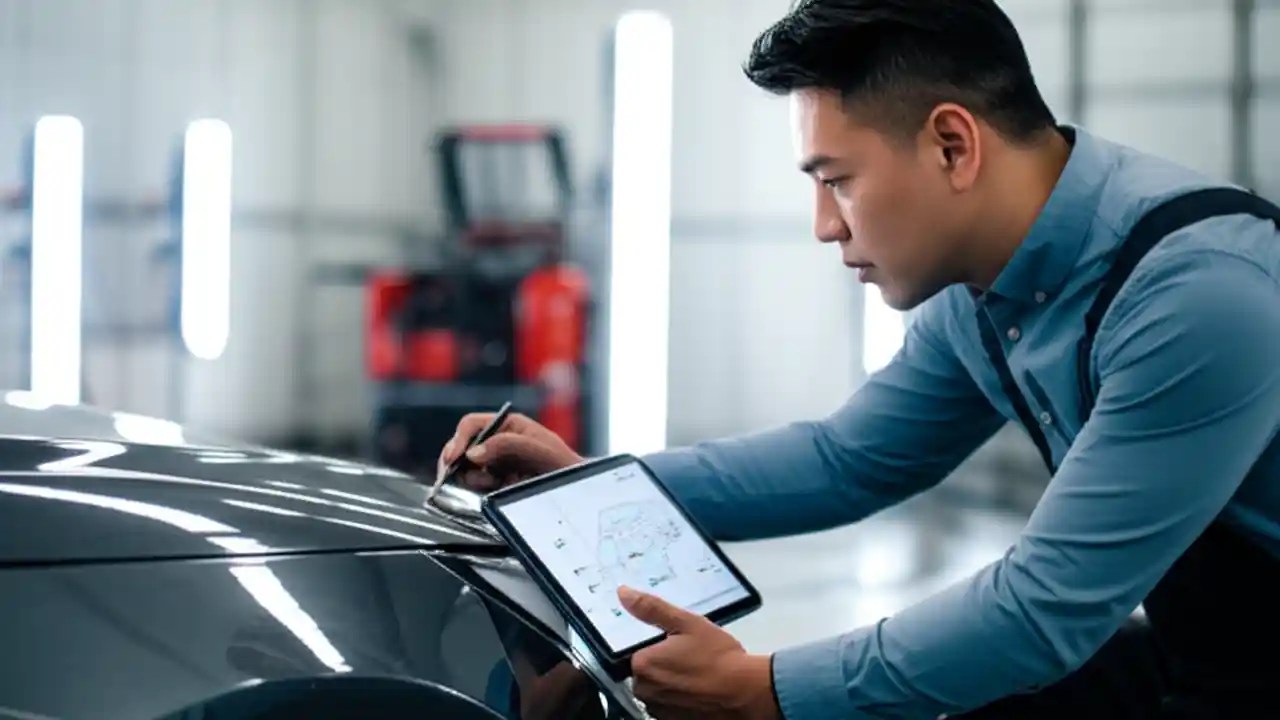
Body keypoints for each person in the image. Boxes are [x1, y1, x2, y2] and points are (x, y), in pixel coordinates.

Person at [439, 0, 1280, 717]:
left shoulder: (1197, 294)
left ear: (953, 145)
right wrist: (593, 489)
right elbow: (848, 460)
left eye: (836, 179)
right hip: (1213, 646)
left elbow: (1043, 609)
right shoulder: (980, 293)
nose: (825, 225)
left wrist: (765, 690)